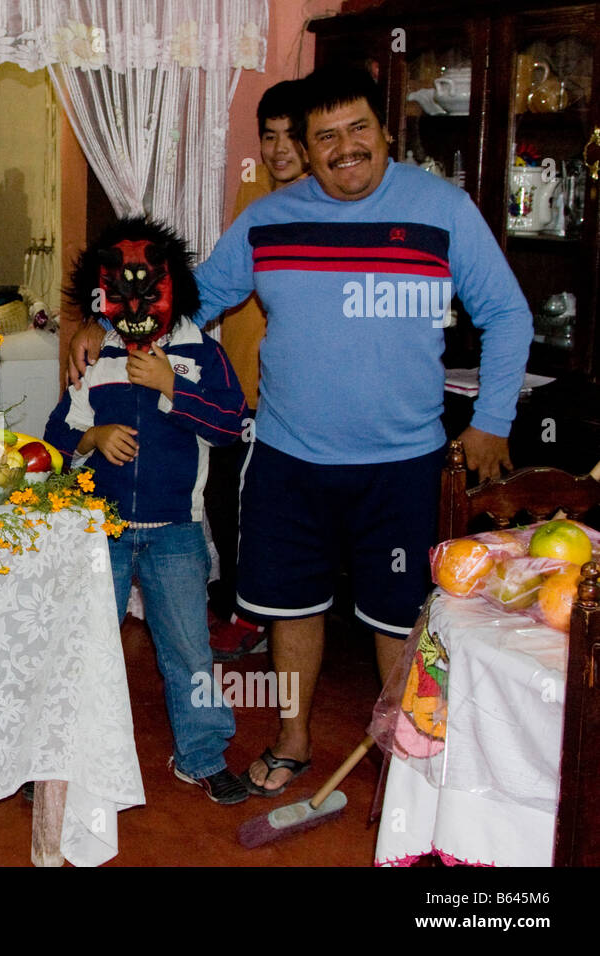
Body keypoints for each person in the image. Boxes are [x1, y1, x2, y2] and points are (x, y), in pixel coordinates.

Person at [67, 65, 532, 797]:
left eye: (358, 130)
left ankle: (402, 758)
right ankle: (292, 740)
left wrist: (491, 420)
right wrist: (108, 326)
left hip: (402, 462)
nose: (346, 149)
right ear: (307, 152)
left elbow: (507, 313)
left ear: (386, 131)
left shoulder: (444, 209)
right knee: (291, 608)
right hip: (287, 456)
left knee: (396, 619)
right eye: (327, 138)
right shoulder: (268, 220)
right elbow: (196, 299)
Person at [45, 218, 252, 804]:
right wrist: (92, 438)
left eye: (148, 289)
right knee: (86, 643)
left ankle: (203, 754)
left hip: (177, 534)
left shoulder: (201, 353)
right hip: (102, 531)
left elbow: (230, 426)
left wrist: (171, 386)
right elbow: (58, 435)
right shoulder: (95, 354)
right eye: (119, 291)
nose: (133, 304)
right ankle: (64, 760)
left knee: (189, 648)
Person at [207, 79, 309, 661]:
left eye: (291, 136)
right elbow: (211, 290)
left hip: (281, 402)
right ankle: (242, 607)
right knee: (227, 497)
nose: (278, 149)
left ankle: (254, 616)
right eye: (268, 137)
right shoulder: (257, 205)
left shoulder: (331, 212)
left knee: (259, 510)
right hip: (236, 386)